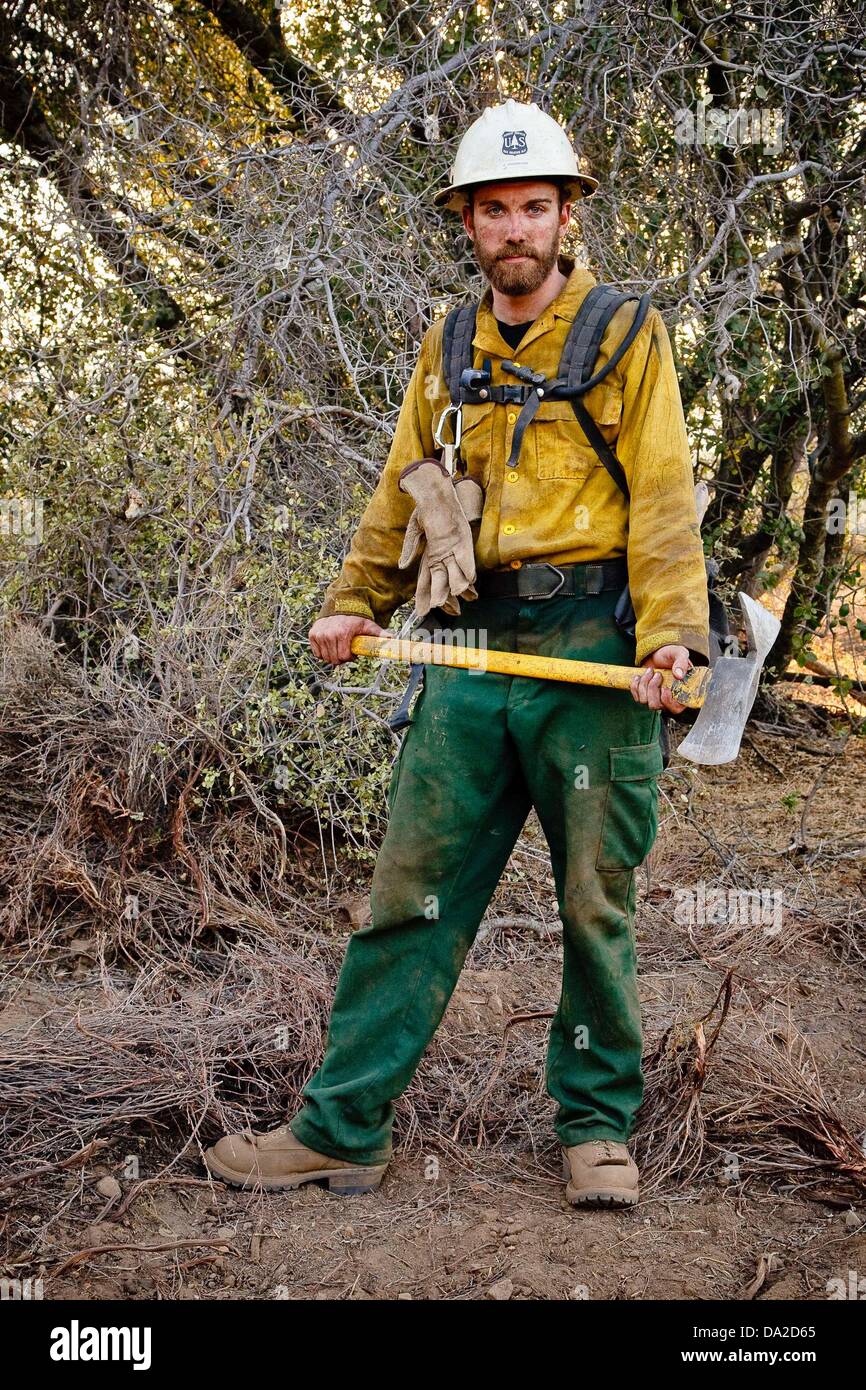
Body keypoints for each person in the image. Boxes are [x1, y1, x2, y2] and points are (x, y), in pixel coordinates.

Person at [205, 99, 710, 1206]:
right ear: (467, 222)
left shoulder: (627, 335)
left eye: (536, 205)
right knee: (409, 896)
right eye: (495, 209)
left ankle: (593, 1130)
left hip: (597, 652)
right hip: (474, 650)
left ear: (565, 214)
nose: (517, 227)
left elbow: (665, 500)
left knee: (594, 901)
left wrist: (674, 635)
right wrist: (352, 601)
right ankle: (341, 1127)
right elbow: (399, 493)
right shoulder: (445, 347)